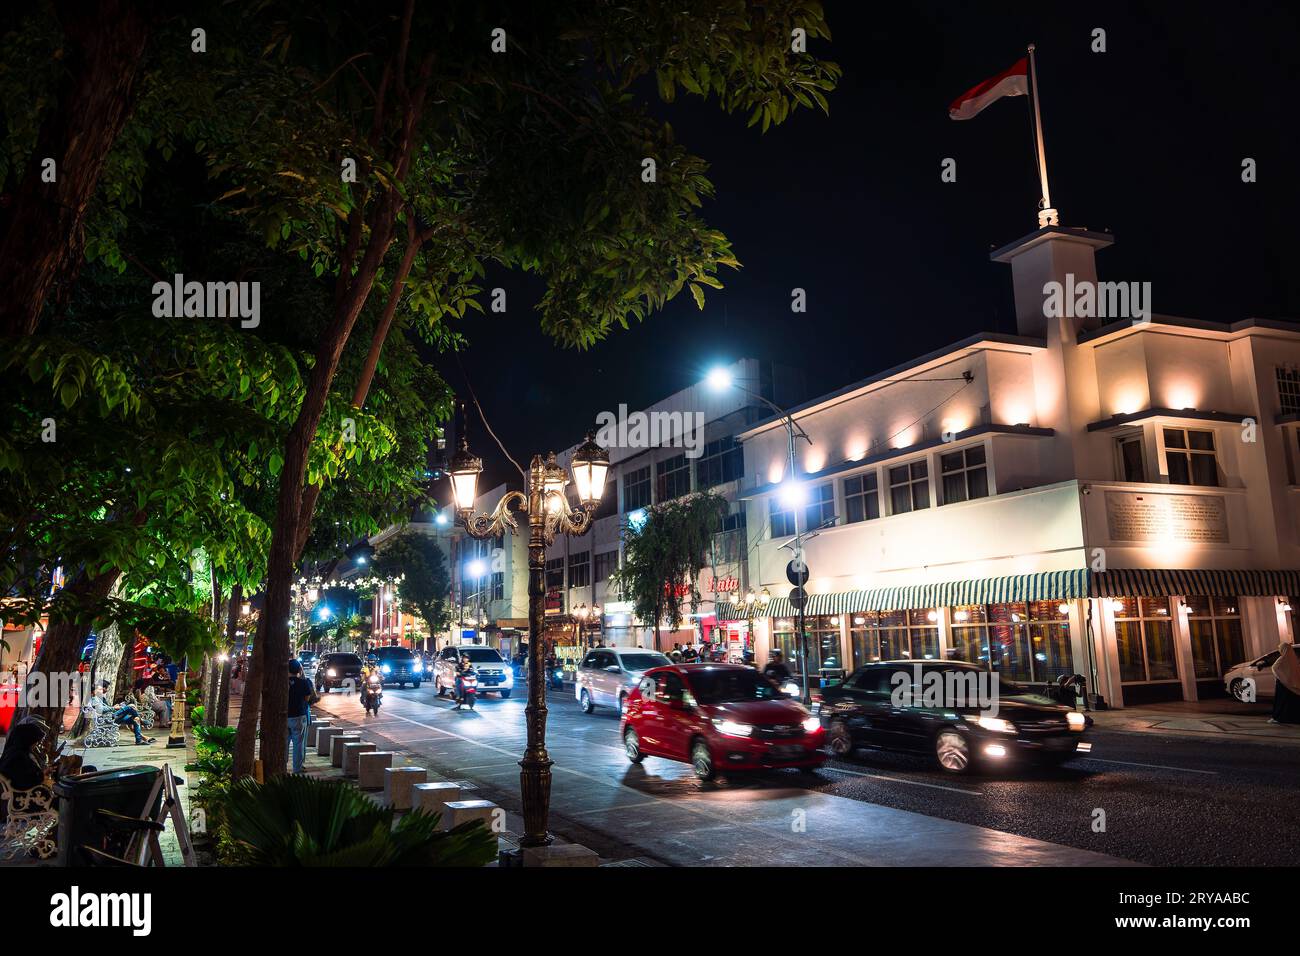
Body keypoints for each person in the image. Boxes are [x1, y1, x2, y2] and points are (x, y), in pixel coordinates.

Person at [286, 660, 316, 773]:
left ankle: (281, 766)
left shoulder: (283, 683)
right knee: (298, 744)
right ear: (299, 670)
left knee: (285, 742)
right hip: (298, 715)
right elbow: (307, 698)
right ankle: (297, 769)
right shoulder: (303, 683)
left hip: (284, 716)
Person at [1269, 641, 1300, 724]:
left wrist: (1281, 678)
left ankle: (1279, 717)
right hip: (1293, 685)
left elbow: (1275, 668)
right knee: (1292, 702)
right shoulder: (1293, 659)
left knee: (1281, 702)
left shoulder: (1282, 659)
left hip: (1283, 685)